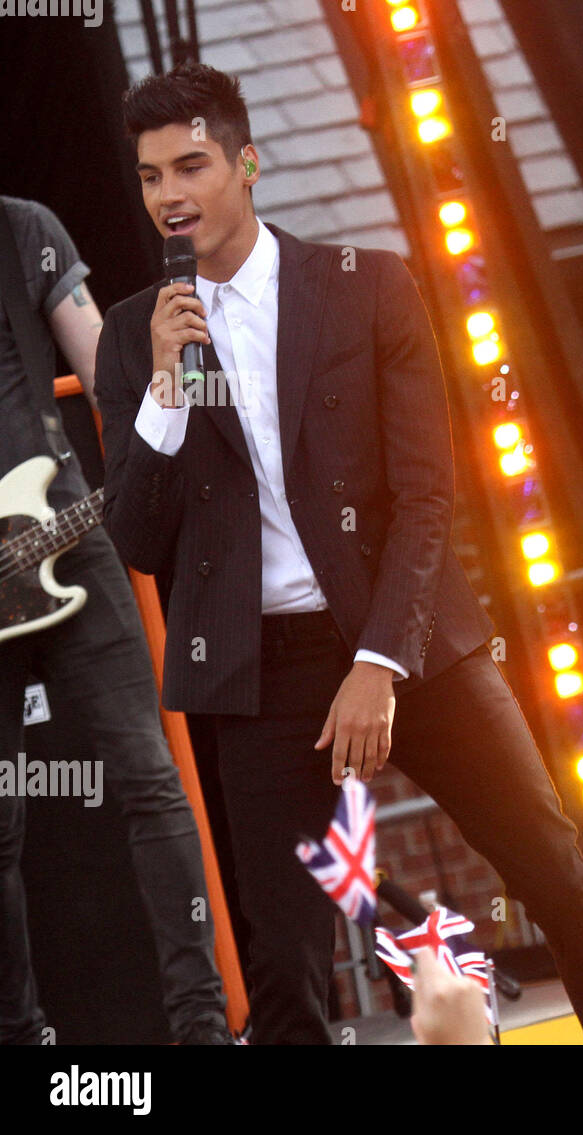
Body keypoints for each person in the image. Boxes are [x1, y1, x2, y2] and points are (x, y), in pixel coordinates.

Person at [94, 61, 583, 1044]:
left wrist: (376, 662)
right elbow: (137, 540)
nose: (170, 196)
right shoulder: (133, 338)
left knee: (557, 877)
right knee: (284, 969)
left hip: (408, 639)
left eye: (190, 167)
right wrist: (163, 396)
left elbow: (428, 496)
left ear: (248, 163)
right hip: (256, 670)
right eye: (151, 178)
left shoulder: (365, 287)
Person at [0, 195, 230, 1044]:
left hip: (65, 534)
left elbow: (106, 370)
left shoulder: (25, 231)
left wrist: (169, 384)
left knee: (148, 774)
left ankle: (201, 1023)